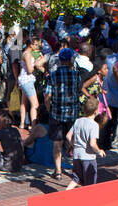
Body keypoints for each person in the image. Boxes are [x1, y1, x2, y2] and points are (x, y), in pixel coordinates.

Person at [44, 47, 83, 177]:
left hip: (57, 113)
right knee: (74, 142)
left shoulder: (53, 76)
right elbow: (78, 90)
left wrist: (50, 110)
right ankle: (76, 169)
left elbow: (47, 97)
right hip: (72, 113)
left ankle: (58, 171)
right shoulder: (76, 75)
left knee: (57, 143)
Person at [64, 96, 104, 188]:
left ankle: (66, 193)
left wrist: (74, 146)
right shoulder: (94, 125)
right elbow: (92, 144)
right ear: (95, 111)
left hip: (77, 155)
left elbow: (68, 136)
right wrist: (99, 151)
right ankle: (89, 200)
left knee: (76, 178)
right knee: (90, 182)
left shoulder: (78, 121)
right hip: (88, 157)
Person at [18, 36, 45, 129]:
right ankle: (33, 125)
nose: (36, 47)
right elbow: (29, 69)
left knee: (23, 102)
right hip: (27, 80)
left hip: (23, 79)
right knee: (35, 104)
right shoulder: (28, 54)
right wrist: (36, 63)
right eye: (35, 45)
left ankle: (22, 123)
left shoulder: (25, 53)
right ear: (31, 45)